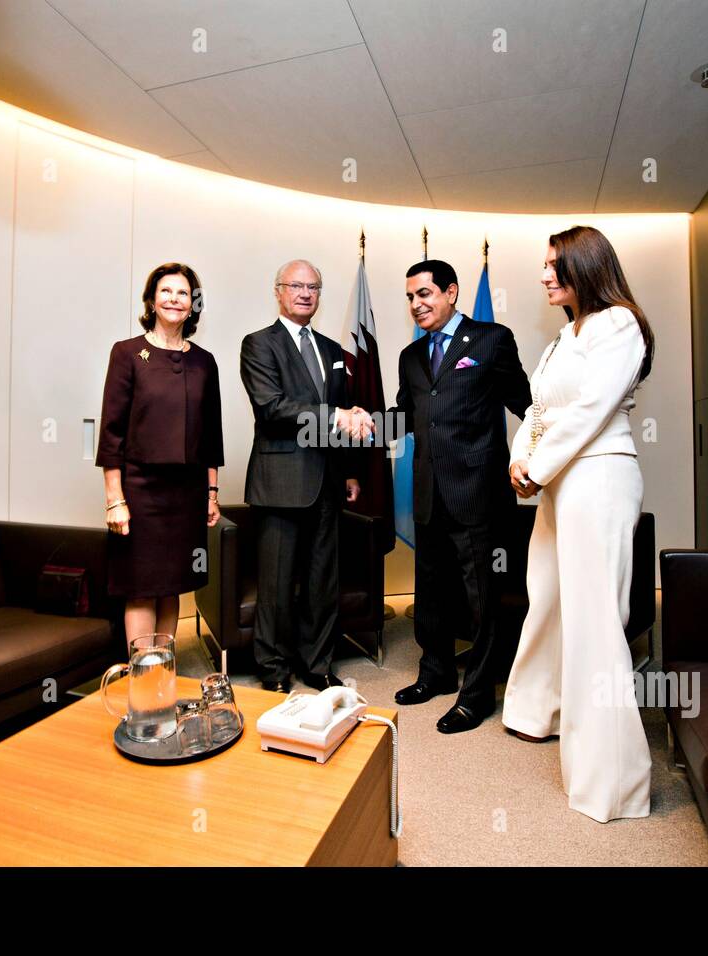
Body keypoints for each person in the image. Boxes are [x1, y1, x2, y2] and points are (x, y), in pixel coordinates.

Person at [503, 226, 657, 823]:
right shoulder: (562, 336)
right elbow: (541, 411)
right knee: (549, 599)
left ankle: (612, 783)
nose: (543, 274)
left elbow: (591, 409)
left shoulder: (619, 324)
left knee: (594, 618)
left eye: (552, 265)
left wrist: (537, 466)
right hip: (557, 480)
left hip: (598, 477)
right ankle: (542, 714)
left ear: (584, 267)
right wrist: (522, 457)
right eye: (542, 265)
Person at [390, 260, 532, 733]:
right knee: (431, 592)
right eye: (410, 297)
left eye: (425, 294)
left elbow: (527, 407)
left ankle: (477, 695)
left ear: (451, 292)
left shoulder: (492, 339)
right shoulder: (411, 356)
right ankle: (435, 674)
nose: (417, 304)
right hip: (428, 494)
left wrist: (535, 462)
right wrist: (360, 422)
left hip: (479, 495)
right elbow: (405, 419)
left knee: (481, 598)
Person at [239, 259, 371, 692]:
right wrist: (336, 414)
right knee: (276, 586)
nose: (304, 293)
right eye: (295, 285)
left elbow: (347, 418)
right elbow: (272, 408)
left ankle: (317, 666)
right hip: (279, 484)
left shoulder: (333, 350)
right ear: (277, 291)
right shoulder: (258, 344)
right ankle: (274, 669)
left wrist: (350, 471)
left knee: (322, 583)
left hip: (329, 484)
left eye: (313, 287)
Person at [96, 262, 224, 651]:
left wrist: (212, 493)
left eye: (183, 293)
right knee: (141, 586)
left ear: (192, 304)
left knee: (172, 585)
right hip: (139, 492)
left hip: (186, 493)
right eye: (166, 291)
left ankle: (163, 671)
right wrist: (114, 499)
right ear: (152, 300)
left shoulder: (205, 361)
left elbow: (211, 433)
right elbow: (112, 433)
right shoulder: (128, 353)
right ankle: (143, 680)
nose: (174, 299)